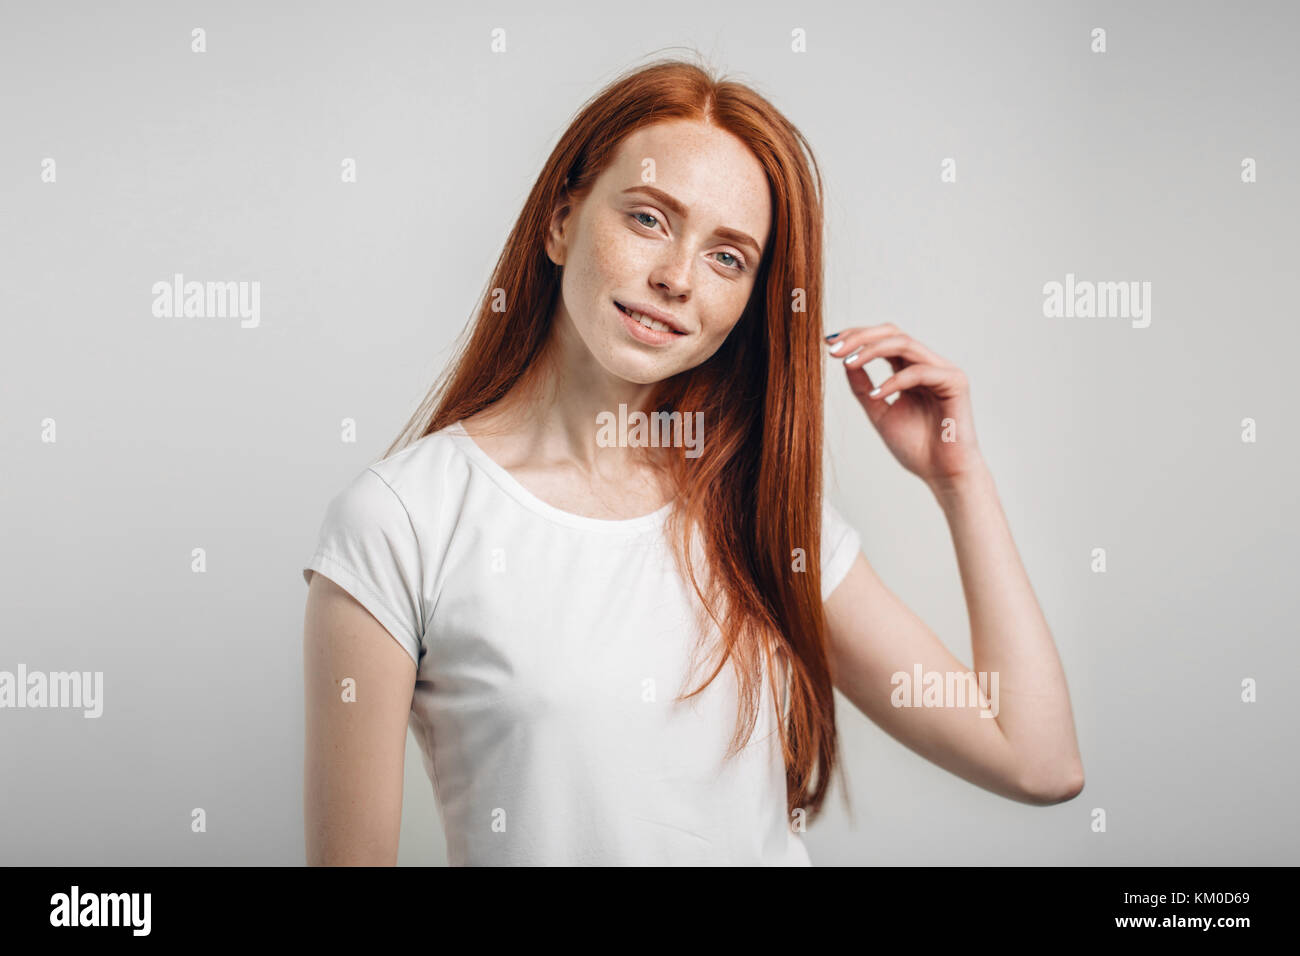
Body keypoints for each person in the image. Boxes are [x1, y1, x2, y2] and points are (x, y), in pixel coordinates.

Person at [301, 56, 1084, 866]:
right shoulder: (402, 521)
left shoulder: (765, 514)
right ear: (561, 221)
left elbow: (1038, 761)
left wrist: (960, 480)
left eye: (727, 257)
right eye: (648, 219)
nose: (676, 278)